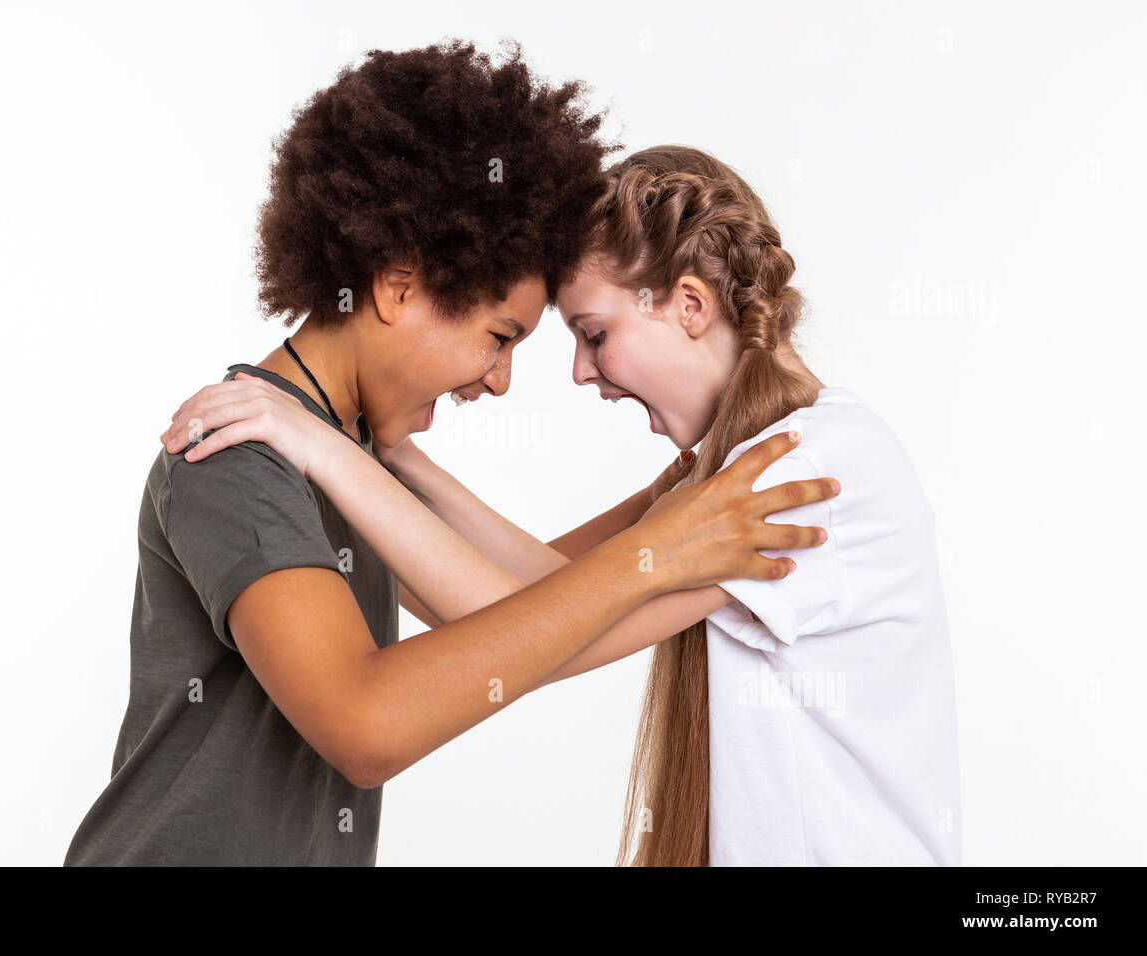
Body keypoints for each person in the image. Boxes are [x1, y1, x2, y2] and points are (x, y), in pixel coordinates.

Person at [64, 45, 838, 867]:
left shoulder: (344, 453)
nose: (500, 382)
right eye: (499, 339)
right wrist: (659, 556)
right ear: (399, 289)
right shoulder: (237, 453)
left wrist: (680, 494)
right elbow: (366, 725)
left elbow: (526, 609)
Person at [161, 144, 960, 867]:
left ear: (688, 305)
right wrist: (396, 457)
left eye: (594, 333)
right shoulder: (727, 477)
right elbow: (548, 594)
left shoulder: (801, 473)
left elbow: (530, 622)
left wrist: (325, 447)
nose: (580, 373)